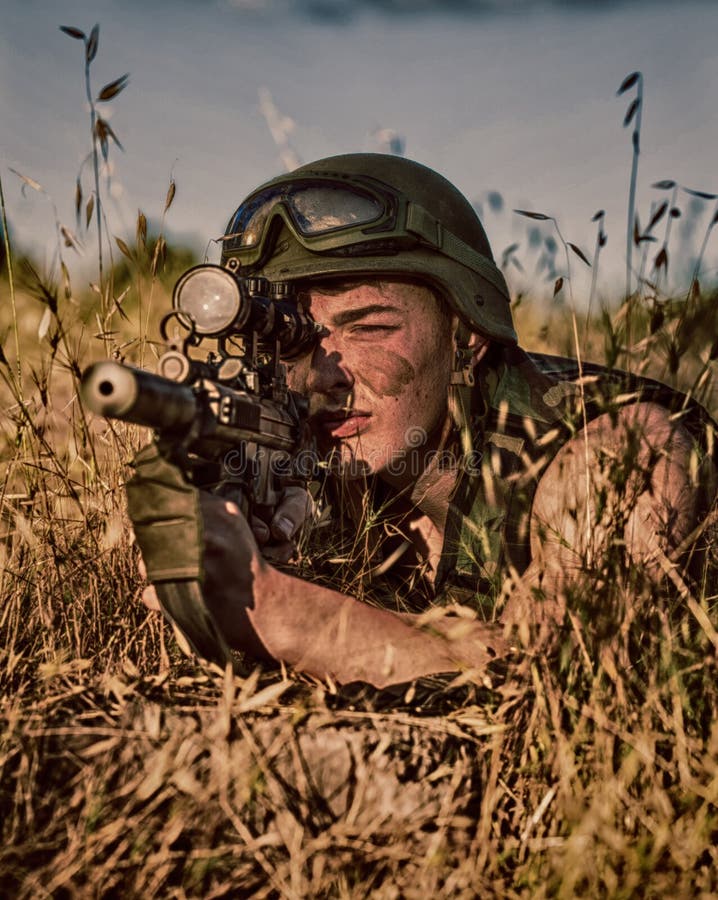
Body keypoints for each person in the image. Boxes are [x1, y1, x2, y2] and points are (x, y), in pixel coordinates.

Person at [128, 154, 716, 689]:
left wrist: (272, 604)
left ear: (467, 336)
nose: (323, 377)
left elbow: (543, 677)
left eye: (368, 328)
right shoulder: (319, 449)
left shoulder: (623, 452)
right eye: (296, 342)